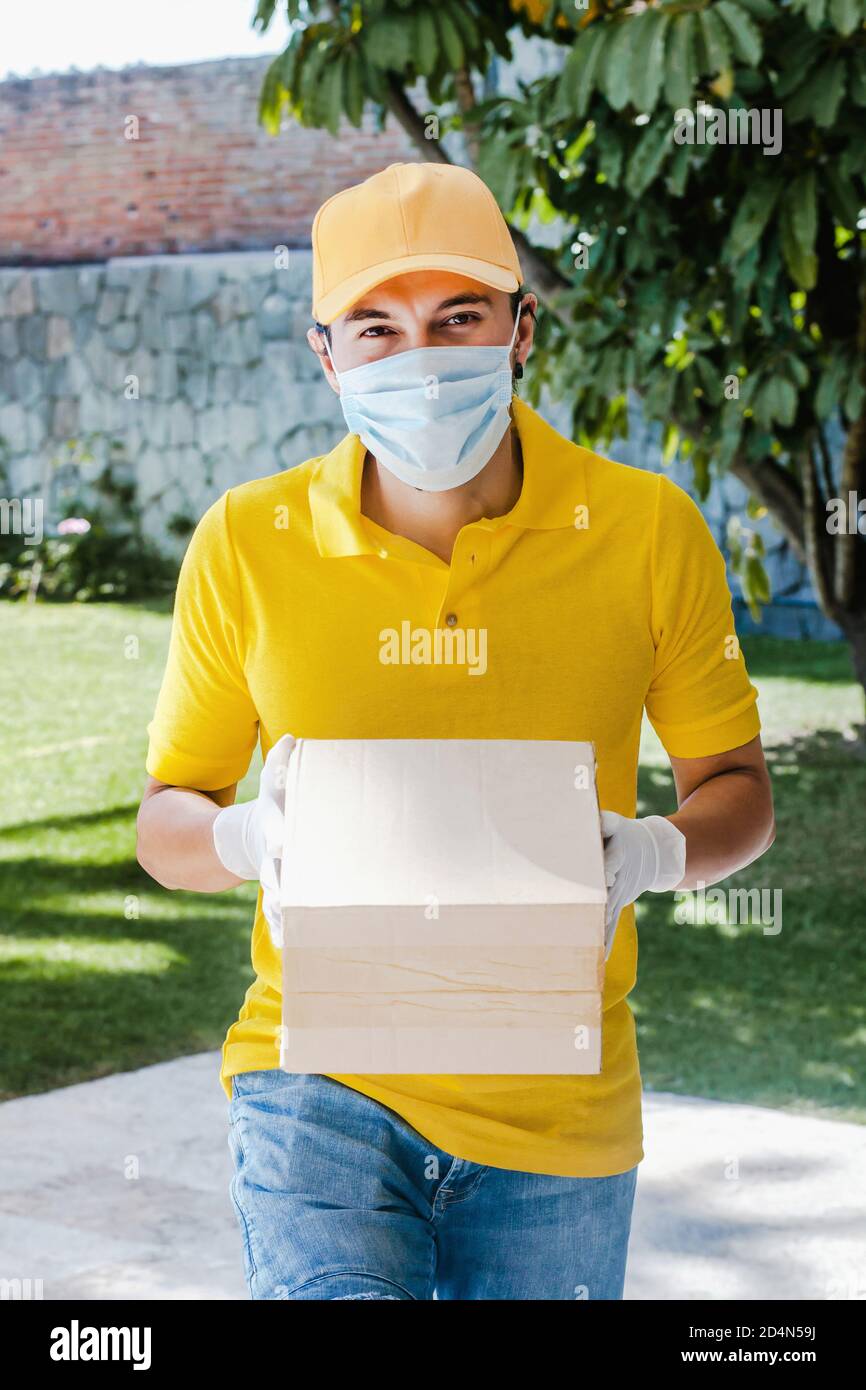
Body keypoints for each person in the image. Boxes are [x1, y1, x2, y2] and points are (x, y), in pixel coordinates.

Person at [136, 161, 775, 1301]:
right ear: (323, 351)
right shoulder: (246, 543)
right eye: (375, 327)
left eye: (457, 317)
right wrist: (243, 840)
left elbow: (735, 788)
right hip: (317, 1092)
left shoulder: (643, 533)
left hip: (557, 1116)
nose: (419, 359)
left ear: (521, 328)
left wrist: (657, 851)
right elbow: (163, 820)